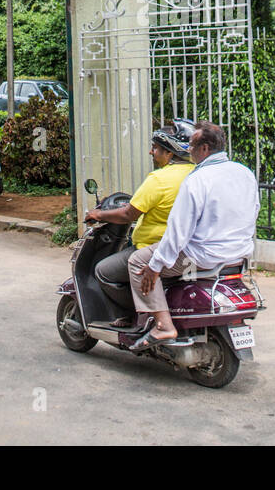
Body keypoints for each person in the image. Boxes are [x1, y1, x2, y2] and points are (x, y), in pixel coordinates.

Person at [127, 121, 258, 349]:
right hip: (238, 255)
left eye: (192, 145)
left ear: (204, 149)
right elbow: (254, 210)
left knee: (137, 261)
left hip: (201, 257)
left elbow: (178, 232)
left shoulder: (197, 179)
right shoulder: (244, 172)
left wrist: (155, 266)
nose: (189, 150)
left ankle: (163, 325)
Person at [88, 126, 194, 327]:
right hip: (186, 249)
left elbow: (128, 213)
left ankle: (138, 315)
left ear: (169, 152)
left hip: (152, 248)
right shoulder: (196, 174)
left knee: (103, 271)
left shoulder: (159, 179)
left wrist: (98, 214)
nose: (151, 152)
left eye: (155, 148)